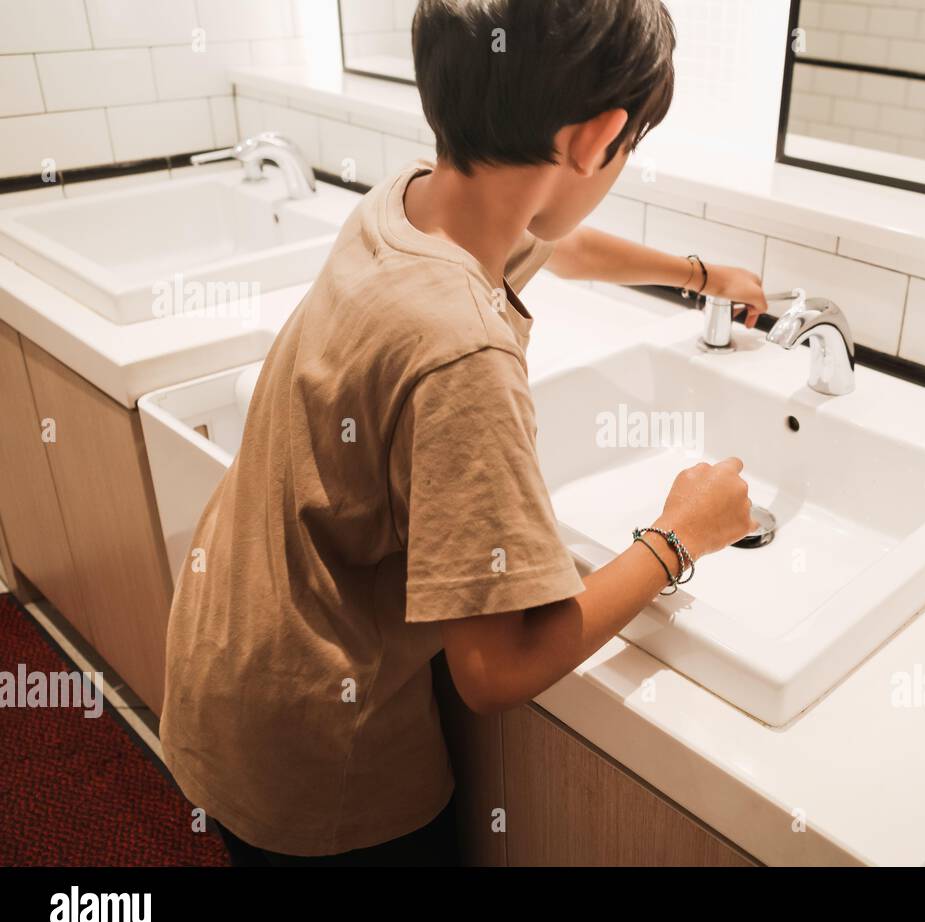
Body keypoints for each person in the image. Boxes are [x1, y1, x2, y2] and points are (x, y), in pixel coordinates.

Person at [159, 0, 766, 866]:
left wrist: (698, 274)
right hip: (323, 750)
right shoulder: (462, 350)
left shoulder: (412, 201)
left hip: (233, 652)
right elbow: (497, 671)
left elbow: (551, 238)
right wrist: (682, 536)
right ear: (598, 140)